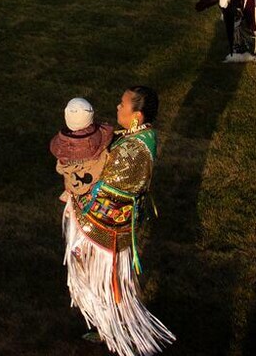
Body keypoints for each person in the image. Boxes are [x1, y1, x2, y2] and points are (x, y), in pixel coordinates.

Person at [63, 86, 174, 356]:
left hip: (105, 229)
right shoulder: (138, 136)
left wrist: (76, 185)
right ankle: (108, 326)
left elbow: (104, 187)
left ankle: (114, 331)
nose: (116, 107)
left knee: (101, 278)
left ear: (136, 115)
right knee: (102, 279)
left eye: (122, 105)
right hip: (110, 227)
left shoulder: (135, 151)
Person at [50, 97, 113, 203]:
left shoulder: (62, 145)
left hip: (74, 185)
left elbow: (55, 150)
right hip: (95, 182)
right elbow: (109, 132)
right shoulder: (101, 135)